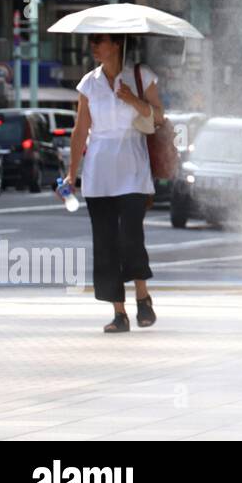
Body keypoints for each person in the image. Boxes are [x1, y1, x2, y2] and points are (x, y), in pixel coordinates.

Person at [65, 33, 164, 333]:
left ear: (117, 43)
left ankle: (143, 297)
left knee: (131, 236)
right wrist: (72, 174)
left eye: (100, 40)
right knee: (105, 244)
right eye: (91, 40)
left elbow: (158, 117)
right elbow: (80, 131)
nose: (93, 45)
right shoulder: (89, 83)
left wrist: (133, 99)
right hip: (99, 173)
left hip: (132, 170)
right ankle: (119, 313)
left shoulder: (140, 75)